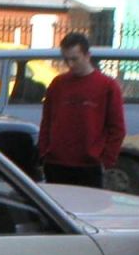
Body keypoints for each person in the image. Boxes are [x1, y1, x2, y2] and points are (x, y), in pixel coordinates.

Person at [38, 31, 125, 188]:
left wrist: (105, 161)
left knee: (87, 210)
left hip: (89, 166)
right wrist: (45, 152)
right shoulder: (58, 84)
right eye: (66, 60)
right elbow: (47, 121)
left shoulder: (107, 86)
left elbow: (117, 128)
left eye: (74, 59)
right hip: (56, 163)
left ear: (87, 56)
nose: (70, 64)